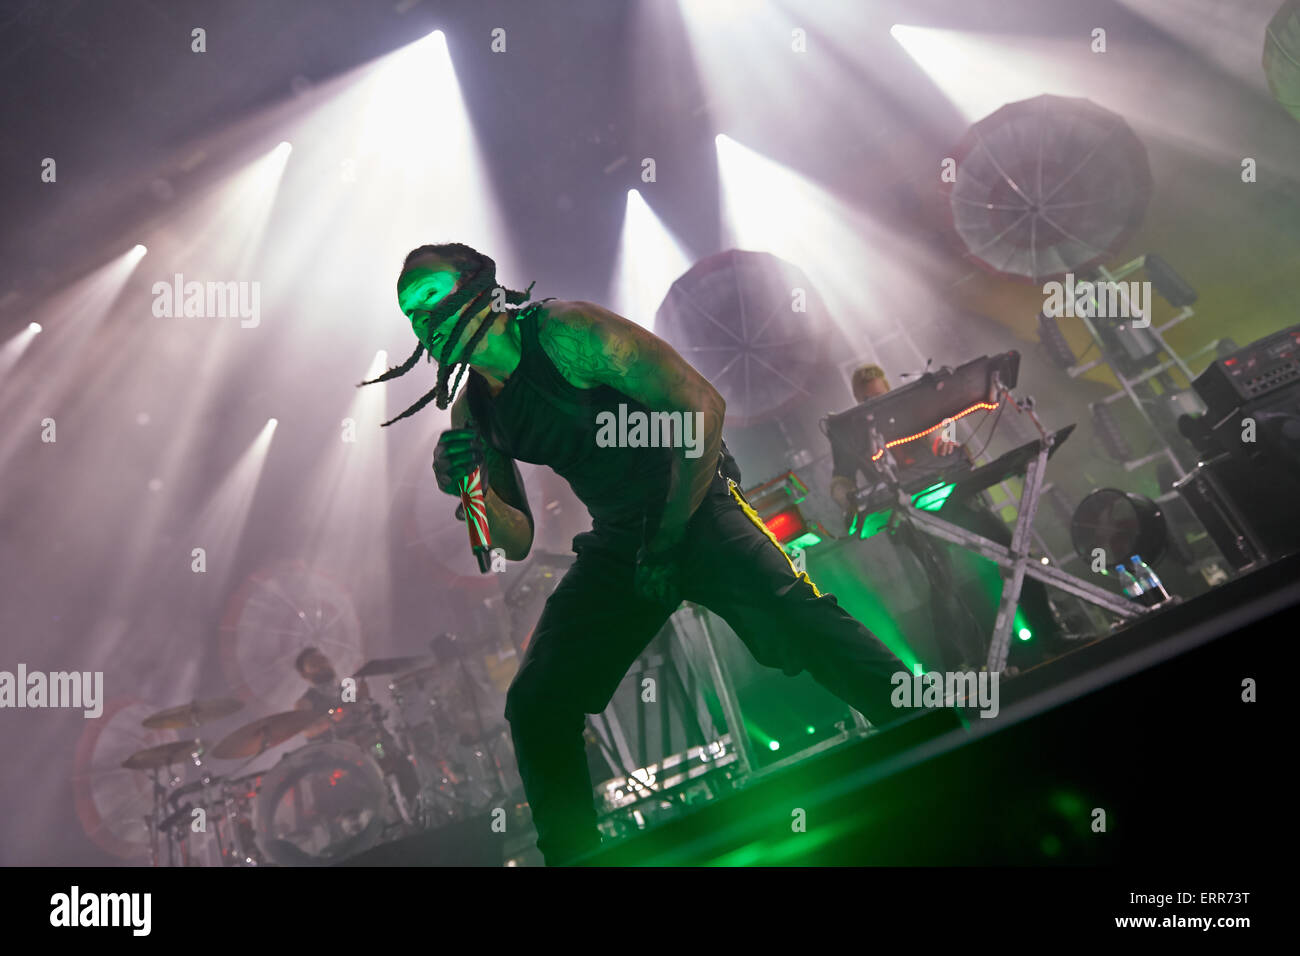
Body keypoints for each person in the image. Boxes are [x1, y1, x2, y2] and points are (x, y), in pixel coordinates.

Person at [359, 242, 912, 865]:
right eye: (410, 314)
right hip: (620, 539)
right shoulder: (471, 411)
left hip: (695, 502)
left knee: (805, 624)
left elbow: (703, 408)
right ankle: (572, 857)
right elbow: (509, 543)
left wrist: (670, 537)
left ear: (478, 282)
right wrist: (471, 487)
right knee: (538, 700)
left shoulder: (566, 331)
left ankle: (932, 733)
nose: (422, 321)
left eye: (431, 297)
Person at [829, 364, 1063, 670]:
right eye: (867, 398)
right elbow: (840, 479)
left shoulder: (914, 404)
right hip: (909, 512)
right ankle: (958, 668)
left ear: (888, 389)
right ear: (858, 401)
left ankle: (1052, 636)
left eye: (879, 395)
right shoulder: (851, 432)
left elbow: (941, 429)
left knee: (1014, 552)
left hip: (953, 495)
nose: (875, 401)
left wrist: (947, 442)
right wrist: (846, 498)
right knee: (943, 582)